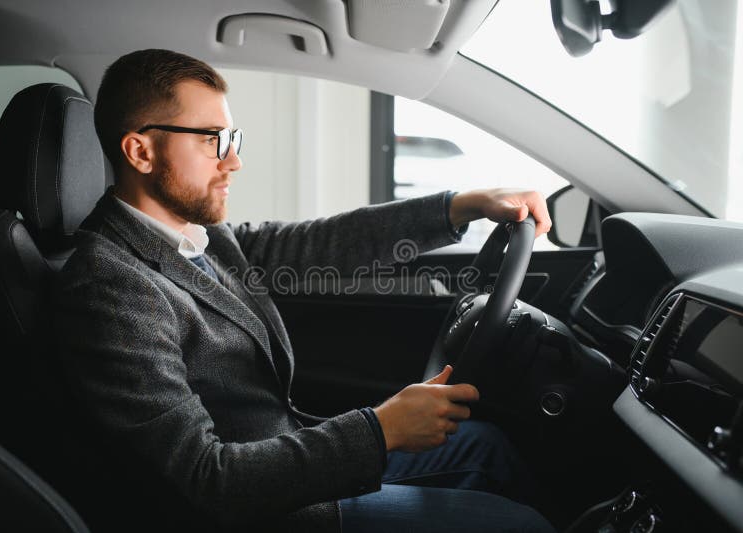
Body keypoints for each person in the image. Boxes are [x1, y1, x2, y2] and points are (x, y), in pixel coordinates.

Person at [54, 48, 556, 532]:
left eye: (233, 139)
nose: (233, 162)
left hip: (291, 457)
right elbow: (206, 483)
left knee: (487, 446)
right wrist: (380, 430)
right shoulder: (110, 289)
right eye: (210, 140)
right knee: (523, 526)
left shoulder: (194, 234)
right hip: (267, 511)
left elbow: (321, 243)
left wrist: (462, 205)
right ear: (140, 150)